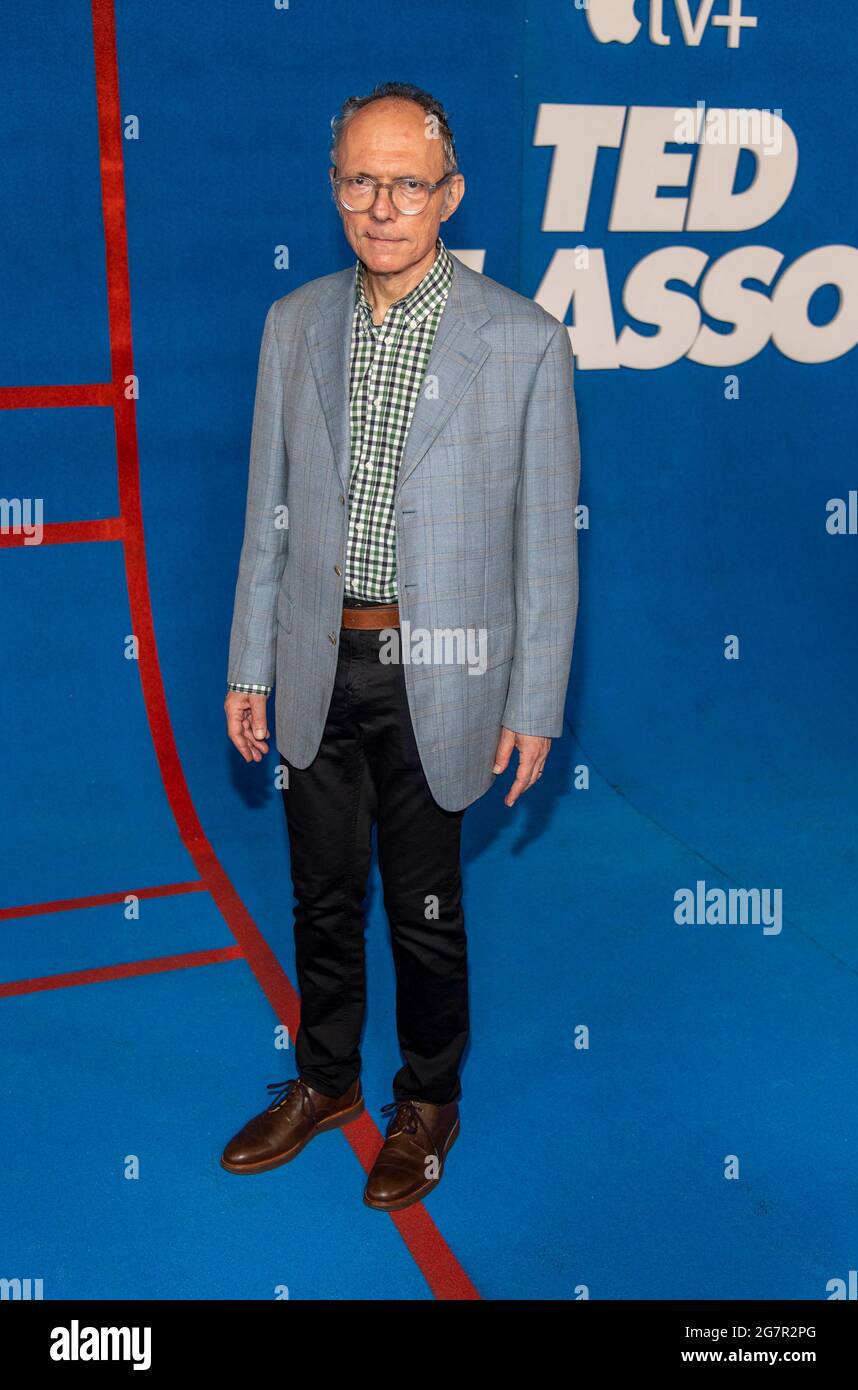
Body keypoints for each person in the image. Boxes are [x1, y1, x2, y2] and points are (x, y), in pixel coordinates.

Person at [220, 81, 580, 1211]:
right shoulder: (292, 324)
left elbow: (546, 551)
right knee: (320, 895)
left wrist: (533, 700)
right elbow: (263, 511)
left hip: (449, 677)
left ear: (449, 194)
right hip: (314, 663)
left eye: (407, 181)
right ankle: (324, 1079)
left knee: (425, 910)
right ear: (334, 189)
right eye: (360, 179)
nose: (382, 204)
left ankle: (428, 1097)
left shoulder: (523, 341)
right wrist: (247, 663)